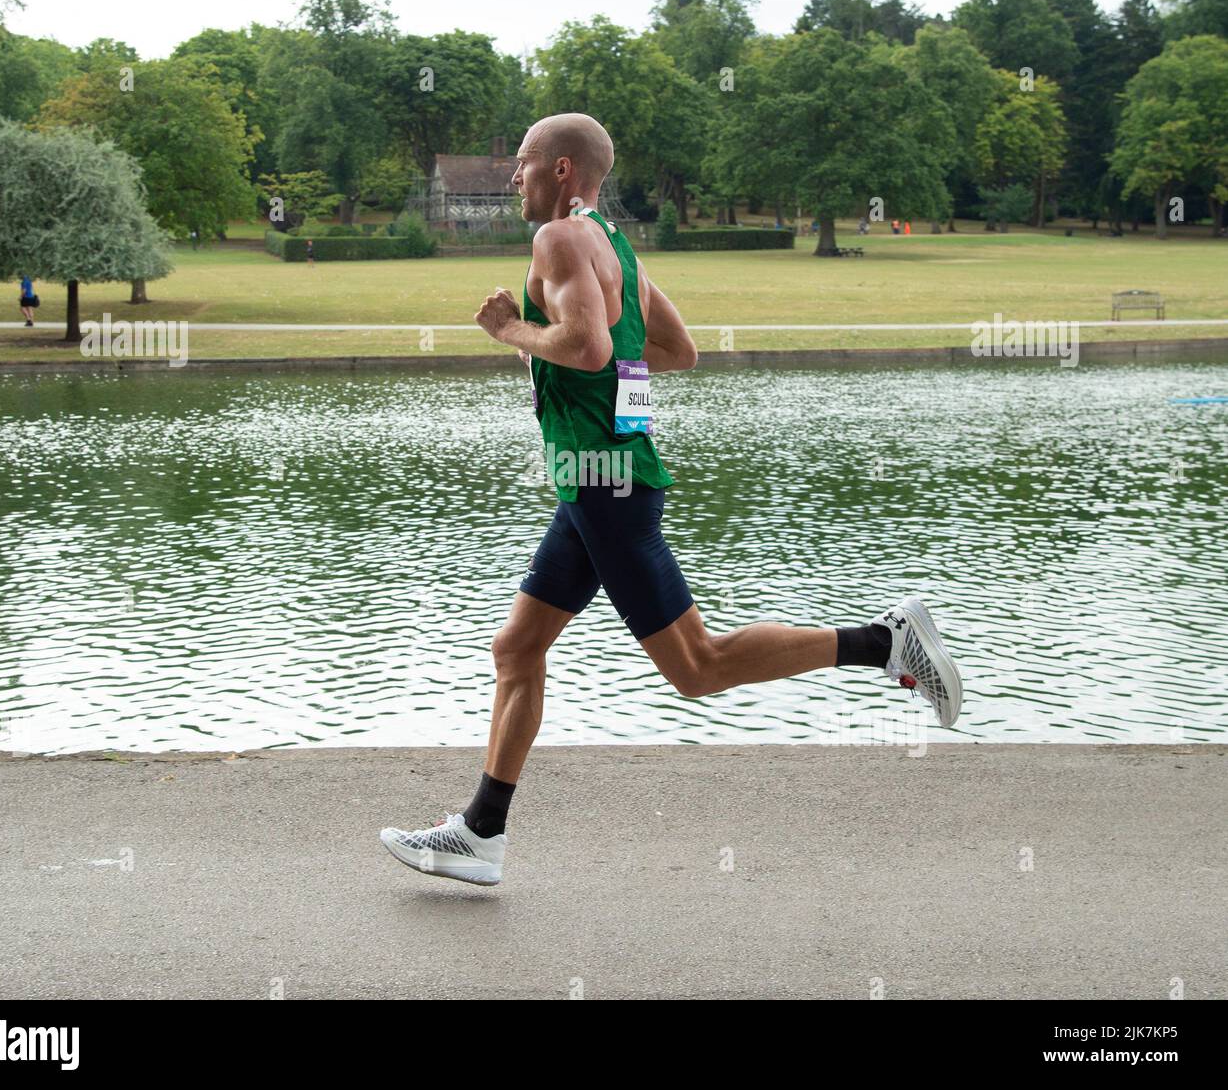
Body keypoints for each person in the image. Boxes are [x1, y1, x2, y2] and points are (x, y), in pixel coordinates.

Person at [379, 113, 963, 887]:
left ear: (561, 169)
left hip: (606, 487)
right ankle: (482, 832)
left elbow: (585, 347)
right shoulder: (619, 248)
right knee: (516, 648)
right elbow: (676, 350)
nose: (511, 176)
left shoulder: (556, 242)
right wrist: (600, 356)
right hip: (596, 483)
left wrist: (514, 330)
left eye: (521, 163)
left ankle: (885, 641)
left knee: (698, 666)